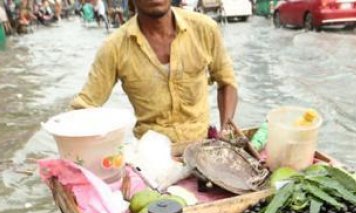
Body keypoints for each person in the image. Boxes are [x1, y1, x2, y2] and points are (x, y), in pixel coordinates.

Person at [71, 0, 237, 144]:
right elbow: (86, 105)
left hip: (202, 146)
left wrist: (226, 129)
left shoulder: (205, 29)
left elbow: (227, 82)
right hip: (151, 157)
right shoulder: (114, 47)